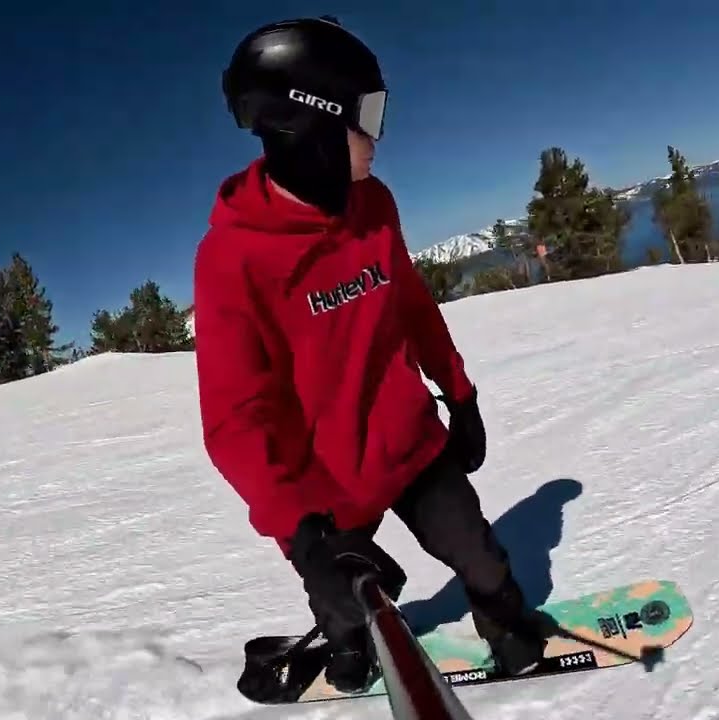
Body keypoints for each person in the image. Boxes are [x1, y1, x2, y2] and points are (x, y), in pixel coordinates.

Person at [192, 15, 548, 693]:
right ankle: (348, 640)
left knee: (483, 559)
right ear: (313, 123)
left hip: (408, 446)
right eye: (367, 116)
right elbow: (236, 420)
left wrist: (460, 396)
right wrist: (302, 536)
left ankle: (503, 624)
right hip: (325, 494)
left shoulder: (372, 203)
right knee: (344, 599)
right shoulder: (232, 259)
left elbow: (412, 304)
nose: (378, 137)